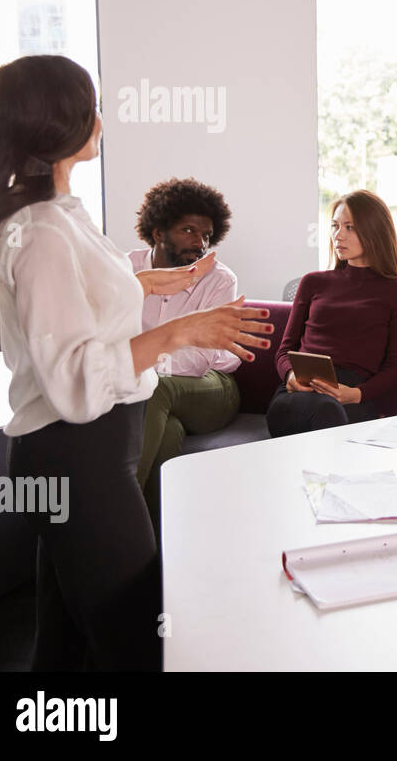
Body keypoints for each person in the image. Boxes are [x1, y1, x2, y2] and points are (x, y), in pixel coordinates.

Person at [0, 55, 271, 670]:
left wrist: (146, 287)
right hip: (81, 453)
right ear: (60, 122)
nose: (102, 119)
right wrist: (181, 330)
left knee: (64, 642)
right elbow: (76, 377)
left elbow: (80, 311)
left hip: (75, 450)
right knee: (136, 637)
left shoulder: (57, 219)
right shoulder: (45, 231)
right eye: (92, 104)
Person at [129, 177, 241, 532]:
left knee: (156, 387)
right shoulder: (125, 269)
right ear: (158, 231)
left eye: (207, 235)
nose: (200, 243)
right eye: (188, 230)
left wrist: (141, 358)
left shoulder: (220, 280)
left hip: (214, 388)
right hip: (150, 393)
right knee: (167, 432)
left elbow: (198, 361)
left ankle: (117, 511)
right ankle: (155, 544)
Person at [268, 189, 397, 437]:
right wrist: (291, 375)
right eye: (335, 226)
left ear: (374, 231)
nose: (338, 236)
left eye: (350, 227)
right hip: (298, 393)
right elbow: (284, 350)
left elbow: (395, 368)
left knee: (331, 411)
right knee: (322, 410)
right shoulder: (313, 282)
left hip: (352, 396)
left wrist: (356, 394)